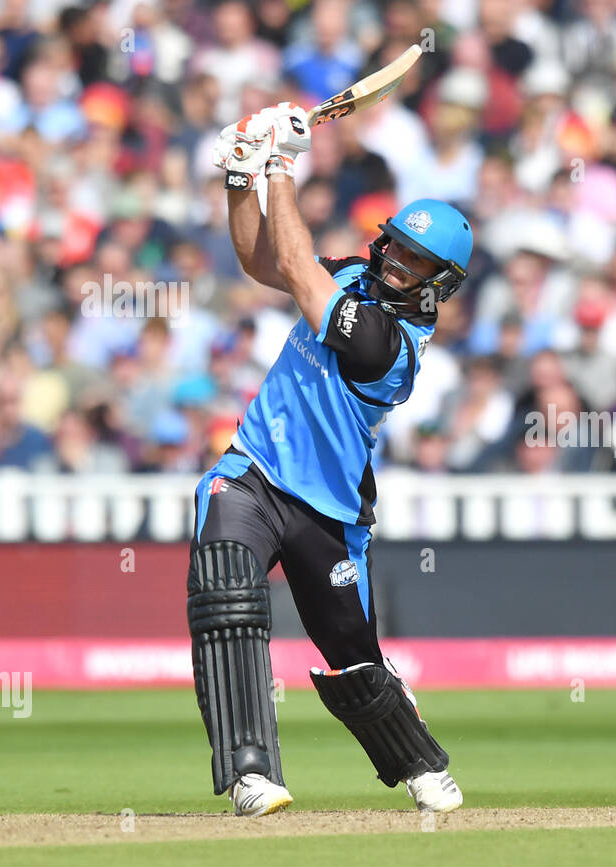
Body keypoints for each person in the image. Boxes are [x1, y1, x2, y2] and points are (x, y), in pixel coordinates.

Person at [189, 103, 473, 816]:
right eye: (396, 246)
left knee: (352, 659)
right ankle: (252, 772)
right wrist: (236, 178)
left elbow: (291, 258)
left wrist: (279, 164)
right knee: (226, 597)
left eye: (417, 262)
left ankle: (416, 759)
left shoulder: (391, 347)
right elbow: (265, 262)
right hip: (251, 472)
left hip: (328, 511)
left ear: (440, 283)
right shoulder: (349, 276)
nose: (397, 262)